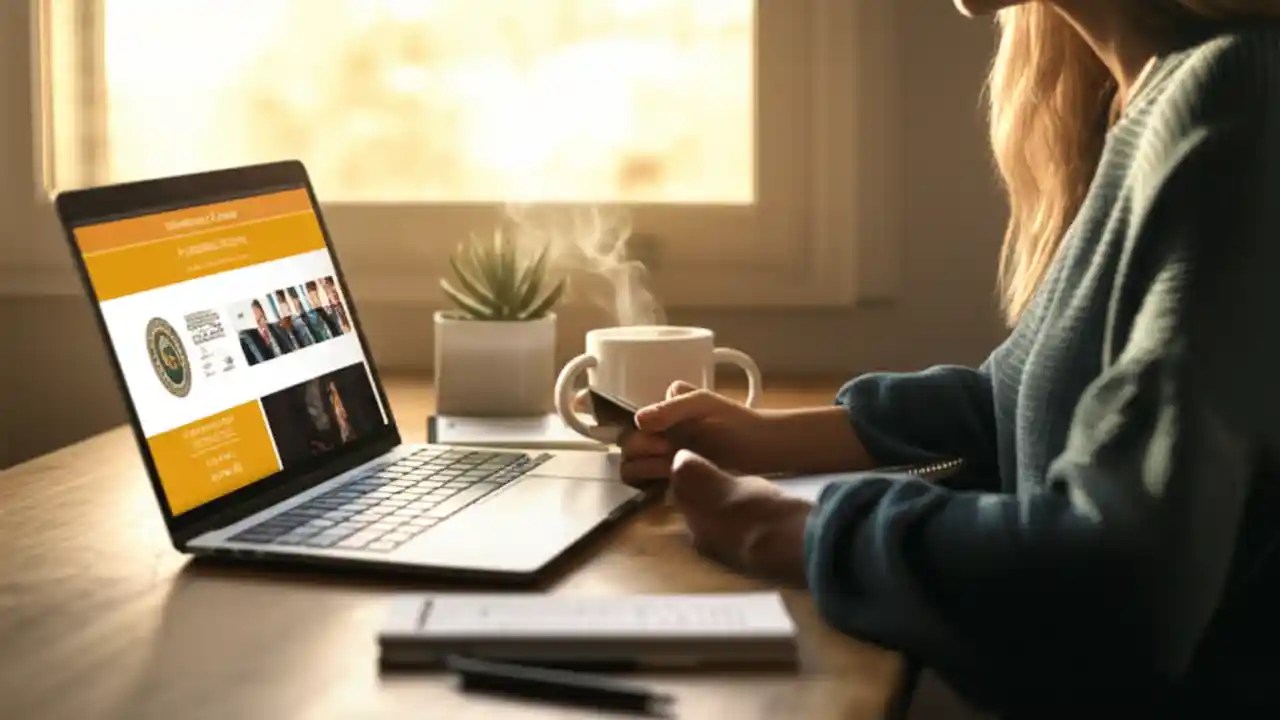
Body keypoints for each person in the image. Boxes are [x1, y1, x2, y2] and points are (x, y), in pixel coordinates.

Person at [619, 1, 1280, 714]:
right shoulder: (1153, 93)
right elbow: (1023, 399)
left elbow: (1120, 582)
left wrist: (784, 530)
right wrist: (769, 436)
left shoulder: (1236, 100)